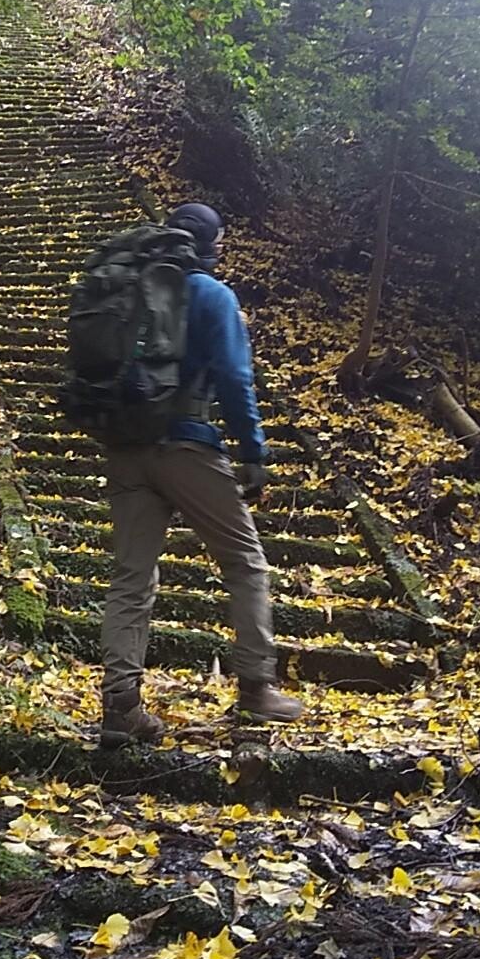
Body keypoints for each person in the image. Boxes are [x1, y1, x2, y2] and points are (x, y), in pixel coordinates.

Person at [99, 201, 302, 745]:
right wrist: (253, 453)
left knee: (131, 578)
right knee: (245, 564)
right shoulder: (213, 295)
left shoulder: (127, 293)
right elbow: (236, 380)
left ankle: (121, 707)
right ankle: (257, 688)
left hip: (126, 448)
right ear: (214, 246)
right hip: (187, 445)